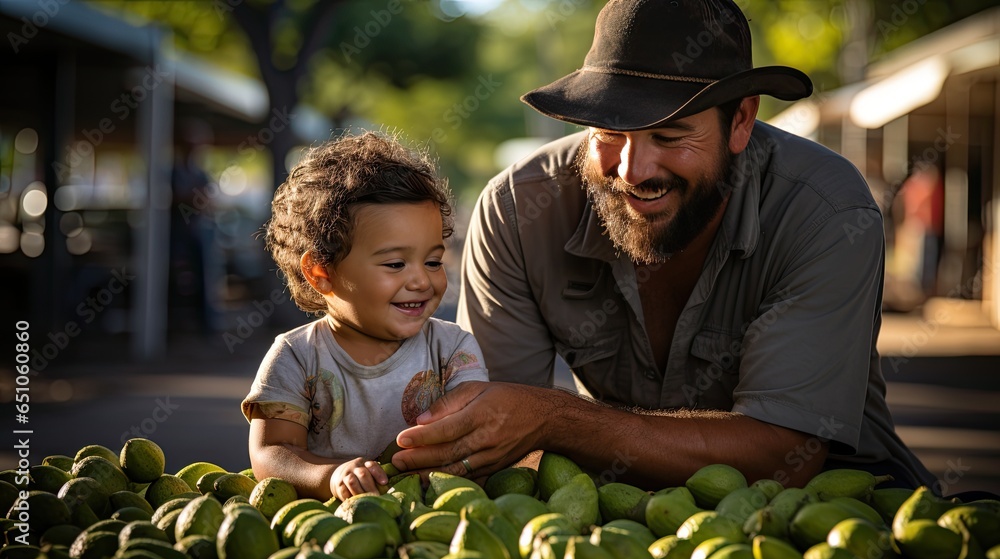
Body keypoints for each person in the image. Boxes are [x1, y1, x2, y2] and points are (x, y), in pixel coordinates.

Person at [389, 0, 938, 491]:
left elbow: (785, 456)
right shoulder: (517, 211)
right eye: (608, 133)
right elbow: (499, 433)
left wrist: (557, 419)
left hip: (848, 508)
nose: (633, 171)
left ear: (741, 120)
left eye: (670, 136)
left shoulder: (824, 210)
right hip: (619, 517)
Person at [242, 132, 490, 501]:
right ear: (321, 272)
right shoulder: (296, 356)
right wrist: (331, 476)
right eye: (395, 264)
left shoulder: (452, 349)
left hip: (438, 523)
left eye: (433, 261)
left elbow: (476, 432)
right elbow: (271, 454)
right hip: (328, 532)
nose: (422, 280)